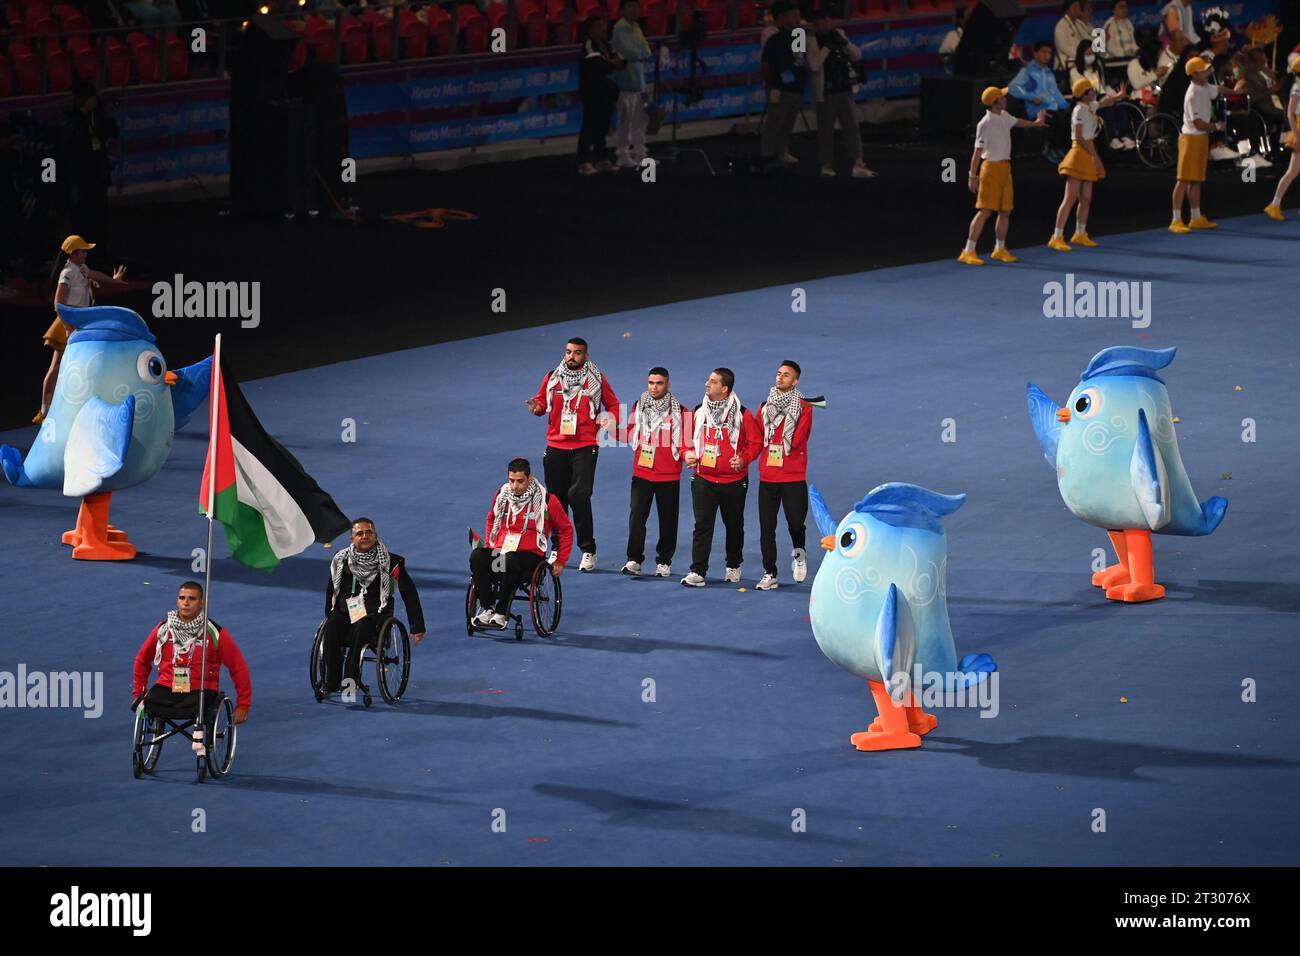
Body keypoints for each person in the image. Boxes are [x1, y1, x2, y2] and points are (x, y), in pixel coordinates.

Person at [526, 337, 620, 571]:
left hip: (584, 446)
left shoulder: (596, 379)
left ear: (585, 356)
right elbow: (541, 403)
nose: (571, 357)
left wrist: (610, 418)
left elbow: (614, 404)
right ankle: (557, 547)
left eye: (577, 353)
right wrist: (537, 408)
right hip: (556, 446)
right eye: (568, 352)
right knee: (556, 501)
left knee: (579, 495)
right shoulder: (552, 377)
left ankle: (588, 550)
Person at [321, 518, 425, 695]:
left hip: (374, 613)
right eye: (359, 533)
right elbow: (332, 589)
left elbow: (409, 593)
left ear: (376, 536)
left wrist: (417, 626)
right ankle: (331, 682)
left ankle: (349, 684)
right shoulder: (341, 559)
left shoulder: (392, 562)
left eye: (369, 532)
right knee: (330, 627)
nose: (364, 536)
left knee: (361, 629)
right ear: (352, 538)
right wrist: (330, 613)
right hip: (345, 610)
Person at [681, 368, 761, 587]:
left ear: (724, 389)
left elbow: (755, 443)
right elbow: (685, 441)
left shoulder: (743, 414)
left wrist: (744, 459)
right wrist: (687, 453)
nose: (707, 383)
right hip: (703, 479)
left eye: (713, 381)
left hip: (733, 482)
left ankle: (733, 565)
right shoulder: (698, 411)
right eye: (708, 379)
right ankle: (698, 571)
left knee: (734, 525)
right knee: (702, 525)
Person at [132, 581, 251, 727]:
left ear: (202, 603)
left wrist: (243, 704)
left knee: (198, 705)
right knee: (147, 702)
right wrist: (138, 692)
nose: (186, 603)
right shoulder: (163, 629)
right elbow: (142, 660)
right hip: (167, 686)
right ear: (177, 601)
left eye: (192, 599)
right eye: (182, 598)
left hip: (200, 689)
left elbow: (238, 667)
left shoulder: (215, 633)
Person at [471, 458, 572, 628]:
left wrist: (561, 560)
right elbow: (491, 519)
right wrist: (491, 544)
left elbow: (566, 529)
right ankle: (488, 608)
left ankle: (501, 613)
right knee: (478, 555)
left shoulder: (547, 501)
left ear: (529, 478)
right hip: (502, 552)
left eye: (520, 481)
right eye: (511, 480)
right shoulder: (501, 495)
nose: (515, 486)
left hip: (530, 557)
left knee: (510, 559)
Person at [36, 235, 126, 424]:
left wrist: (114, 280)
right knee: (57, 366)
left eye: (86, 251)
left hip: (82, 322)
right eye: (82, 251)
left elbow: (95, 274)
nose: (85, 254)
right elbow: (58, 303)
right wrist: (68, 326)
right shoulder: (67, 274)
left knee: (78, 365)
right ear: (72, 254)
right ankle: (44, 410)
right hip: (68, 324)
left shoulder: (82, 269)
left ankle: (75, 406)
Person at [958, 86, 1046, 266]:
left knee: (1005, 210)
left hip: (1006, 169)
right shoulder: (985, 123)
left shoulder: (1005, 116)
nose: (1005, 99)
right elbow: (977, 152)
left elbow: (1019, 122)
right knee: (985, 211)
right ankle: (968, 251)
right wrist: (972, 176)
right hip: (990, 169)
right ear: (994, 102)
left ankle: (999, 249)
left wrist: (1036, 123)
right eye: (1001, 97)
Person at [753, 361, 814, 591]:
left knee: (796, 524)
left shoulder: (805, 407)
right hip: (768, 477)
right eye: (778, 374)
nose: (780, 378)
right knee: (766, 527)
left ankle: (799, 556)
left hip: (792, 476)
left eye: (786, 375)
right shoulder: (764, 406)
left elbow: (799, 438)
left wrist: (779, 437)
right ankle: (769, 573)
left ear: (795, 381)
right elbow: (758, 439)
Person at [623, 367, 689, 577]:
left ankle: (664, 562)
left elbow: (686, 443)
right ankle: (634, 559)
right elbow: (630, 434)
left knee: (668, 520)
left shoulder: (682, 411)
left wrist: (689, 456)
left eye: (659, 383)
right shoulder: (638, 406)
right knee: (636, 518)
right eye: (651, 382)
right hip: (642, 473)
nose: (654, 387)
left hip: (668, 475)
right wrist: (612, 428)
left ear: (668, 385)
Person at [1048, 77, 1128, 250]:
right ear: (1084, 95)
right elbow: (1078, 136)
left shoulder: (1090, 106)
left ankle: (1080, 233)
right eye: (1090, 90)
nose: (1093, 92)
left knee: (1086, 198)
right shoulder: (1079, 110)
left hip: (1088, 150)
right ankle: (1057, 236)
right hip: (1080, 152)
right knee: (1069, 198)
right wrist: (1094, 155)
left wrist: (1120, 95)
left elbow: (1106, 102)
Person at [811, 7, 874, 178]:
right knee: (826, 130)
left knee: (852, 128)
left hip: (845, 89)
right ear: (815, 25)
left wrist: (844, 43)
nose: (826, 25)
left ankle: (858, 162)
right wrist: (827, 48)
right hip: (827, 91)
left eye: (828, 20)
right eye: (822, 22)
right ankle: (826, 164)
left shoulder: (839, 34)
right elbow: (814, 66)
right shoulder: (811, 40)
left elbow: (856, 54)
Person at [1170, 56, 1224, 233]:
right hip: (1190, 139)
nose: (1208, 72)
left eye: (1207, 69)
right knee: (1183, 180)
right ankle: (1176, 220)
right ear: (1194, 75)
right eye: (1204, 70)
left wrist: (1237, 91)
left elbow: (1220, 89)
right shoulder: (1192, 94)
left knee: (1197, 180)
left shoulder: (1205, 87)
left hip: (1201, 138)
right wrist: (1216, 126)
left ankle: (1196, 217)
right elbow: (1199, 123)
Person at [760, 0, 810, 167]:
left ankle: (782, 153)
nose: (798, 18)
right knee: (774, 124)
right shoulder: (774, 38)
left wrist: (799, 82)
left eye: (798, 14)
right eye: (793, 15)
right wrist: (784, 83)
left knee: (787, 124)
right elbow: (769, 65)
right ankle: (768, 156)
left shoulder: (798, 36)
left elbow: (800, 60)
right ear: (782, 17)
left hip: (795, 88)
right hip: (780, 88)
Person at [1009, 41, 1071, 161]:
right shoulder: (1027, 71)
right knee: (1057, 120)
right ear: (1035, 53)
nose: (1047, 55)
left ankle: (1058, 149)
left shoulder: (1049, 73)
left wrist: (1066, 106)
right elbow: (1012, 88)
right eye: (1043, 52)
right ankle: (1049, 150)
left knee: (1068, 117)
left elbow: (1055, 92)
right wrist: (1031, 97)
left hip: (1052, 109)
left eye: (1049, 53)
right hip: (1038, 111)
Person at [577, 16, 624, 176]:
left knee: (602, 128)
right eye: (599, 26)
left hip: (606, 93)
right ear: (590, 30)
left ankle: (601, 159)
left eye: (604, 25)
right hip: (592, 93)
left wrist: (614, 62)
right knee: (589, 127)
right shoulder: (588, 45)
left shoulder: (605, 45)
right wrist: (612, 63)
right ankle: (584, 162)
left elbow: (620, 61)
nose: (603, 29)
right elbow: (600, 66)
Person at [611, 0, 652, 170]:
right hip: (625, 81)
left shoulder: (636, 26)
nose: (635, 9)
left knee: (639, 121)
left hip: (638, 81)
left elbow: (647, 51)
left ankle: (640, 153)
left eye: (637, 6)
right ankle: (623, 154)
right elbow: (629, 51)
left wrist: (639, 53)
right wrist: (639, 53)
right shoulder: (619, 28)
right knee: (625, 121)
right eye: (630, 6)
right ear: (622, 10)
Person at [1070, 39, 1132, 150]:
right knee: (1108, 107)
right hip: (1086, 100)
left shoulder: (1097, 69)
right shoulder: (1075, 71)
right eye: (1088, 54)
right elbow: (1081, 90)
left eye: (1093, 53)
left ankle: (1124, 136)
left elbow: (1103, 86)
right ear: (1081, 55)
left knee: (1119, 104)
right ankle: (1112, 139)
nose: (1091, 56)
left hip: (1101, 95)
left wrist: (1115, 95)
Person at [1263, 58, 1300, 220]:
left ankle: (1275, 205)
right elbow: (1290, 114)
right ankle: (1274, 205)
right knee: (1292, 172)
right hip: (1299, 130)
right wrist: (1297, 135)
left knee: (1292, 171)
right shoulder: (1297, 88)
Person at [1054, 1, 1093, 71]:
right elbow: (1064, 47)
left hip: (1082, 59)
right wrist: (1081, 54)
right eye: (1074, 7)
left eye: (1078, 7)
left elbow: (1087, 39)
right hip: (1068, 62)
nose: (1077, 10)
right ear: (1067, 10)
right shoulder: (1061, 25)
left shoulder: (1078, 24)